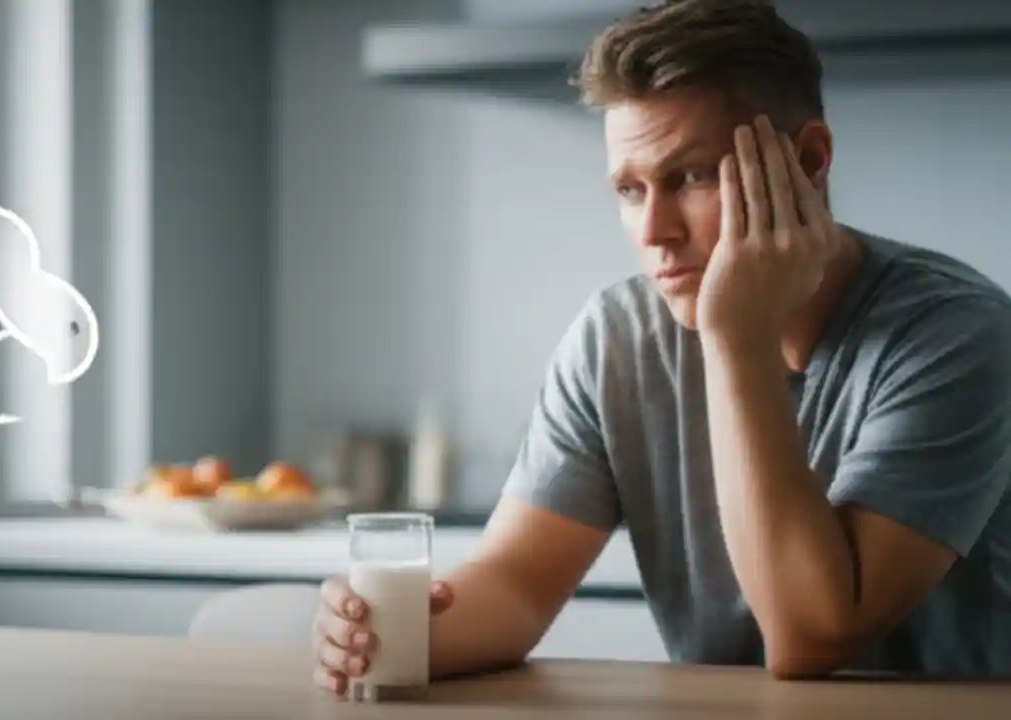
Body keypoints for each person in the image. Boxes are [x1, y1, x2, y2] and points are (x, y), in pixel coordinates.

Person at [312, 0, 1011, 689]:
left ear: (809, 159)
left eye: (691, 177)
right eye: (628, 188)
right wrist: (381, 633)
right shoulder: (616, 338)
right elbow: (515, 586)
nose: (653, 231)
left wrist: (735, 337)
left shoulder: (958, 336)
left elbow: (812, 637)